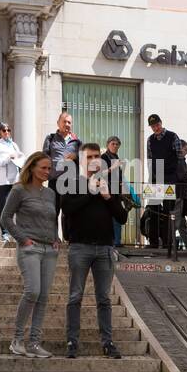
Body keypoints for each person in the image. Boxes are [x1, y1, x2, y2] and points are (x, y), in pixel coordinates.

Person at [62, 142, 127, 359]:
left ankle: (107, 342)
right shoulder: (72, 182)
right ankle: (72, 341)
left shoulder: (109, 183)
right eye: (89, 157)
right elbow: (68, 209)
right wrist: (91, 191)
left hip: (105, 248)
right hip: (80, 247)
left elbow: (122, 217)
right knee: (75, 296)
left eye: (96, 156)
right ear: (81, 160)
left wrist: (108, 197)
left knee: (104, 299)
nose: (93, 160)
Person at [0, 152, 59, 358]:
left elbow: (52, 219)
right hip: (29, 248)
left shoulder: (50, 194)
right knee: (32, 291)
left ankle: (34, 343)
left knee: (42, 297)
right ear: (31, 167)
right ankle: (17, 340)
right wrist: (22, 239)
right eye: (43, 168)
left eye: (49, 168)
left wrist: (56, 237)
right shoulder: (19, 190)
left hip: (49, 250)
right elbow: (5, 218)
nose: (47, 172)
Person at [42, 110, 80, 238]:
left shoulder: (77, 141)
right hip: (55, 180)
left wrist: (76, 155)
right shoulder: (51, 138)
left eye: (69, 122)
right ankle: (54, 238)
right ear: (58, 123)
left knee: (69, 211)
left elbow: (86, 158)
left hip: (71, 181)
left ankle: (69, 238)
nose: (67, 124)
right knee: (53, 210)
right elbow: (44, 157)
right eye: (64, 121)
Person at [145, 114, 182, 248]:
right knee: (153, 210)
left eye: (157, 125)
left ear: (161, 123)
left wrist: (176, 176)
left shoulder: (172, 136)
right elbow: (149, 160)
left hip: (170, 177)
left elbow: (180, 157)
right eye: (153, 126)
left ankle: (167, 242)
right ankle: (153, 242)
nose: (155, 128)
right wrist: (150, 179)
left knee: (168, 210)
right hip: (156, 177)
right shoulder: (150, 140)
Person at [0, 122, 25, 241]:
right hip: (3, 181)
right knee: (4, 207)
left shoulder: (14, 145)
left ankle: (17, 232)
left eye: (9, 130)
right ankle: (5, 233)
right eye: (4, 130)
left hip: (15, 180)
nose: (7, 132)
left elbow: (20, 159)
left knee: (17, 206)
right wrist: (7, 158)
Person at [99, 136, 132, 248]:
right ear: (108, 144)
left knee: (117, 217)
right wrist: (113, 168)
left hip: (116, 192)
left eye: (117, 144)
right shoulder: (103, 157)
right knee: (108, 217)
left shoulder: (116, 157)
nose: (115, 146)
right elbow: (100, 174)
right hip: (107, 192)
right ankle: (110, 241)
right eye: (113, 143)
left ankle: (116, 241)